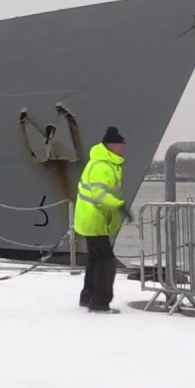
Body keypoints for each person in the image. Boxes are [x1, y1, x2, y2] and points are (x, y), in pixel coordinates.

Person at [75, 126, 132, 313]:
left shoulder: (102, 163)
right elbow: (99, 195)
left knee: (95, 260)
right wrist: (119, 205)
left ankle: (88, 295)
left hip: (90, 219)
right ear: (111, 146)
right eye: (120, 145)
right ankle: (100, 302)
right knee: (106, 262)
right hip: (95, 220)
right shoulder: (102, 166)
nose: (123, 148)